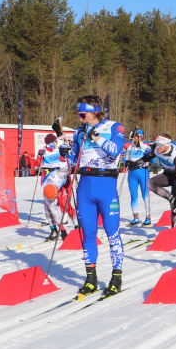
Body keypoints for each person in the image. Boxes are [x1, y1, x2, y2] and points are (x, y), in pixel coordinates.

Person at [66, 96, 127, 297]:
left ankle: (116, 277)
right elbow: (73, 159)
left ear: (94, 112)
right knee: (88, 235)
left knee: (112, 233)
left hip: (106, 185)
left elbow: (115, 149)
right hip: (85, 185)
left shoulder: (114, 127)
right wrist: (65, 151)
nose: (80, 117)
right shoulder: (79, 132)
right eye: (78, 114)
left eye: (82, 114)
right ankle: (90, 278)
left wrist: (95, 136)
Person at [140, 135, 176, 227]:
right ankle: (172, 199)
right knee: (150, 183)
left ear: (167, 144)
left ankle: (174, 229)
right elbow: (147, 157)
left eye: (160, 145)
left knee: (175, 206)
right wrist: (134, 163)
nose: (158, 147)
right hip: (167, 174)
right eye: (157, 144)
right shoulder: (156, 148)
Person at [37, 132, 71, 241]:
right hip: (48, 180)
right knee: (48, 208)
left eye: (56, 141)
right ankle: (54, 230)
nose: (56, 143)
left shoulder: (58, 150)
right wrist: (40, 156)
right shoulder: (44, 150)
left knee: (60, 203)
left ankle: (64, 227)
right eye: (55, 141)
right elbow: (37, 163)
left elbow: (65, 160)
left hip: (58, 179)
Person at [123, 129, 152, 226]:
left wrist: (151, 157)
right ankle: (135, 217)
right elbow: (125, 159)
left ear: (140, 137)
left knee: (145, 195)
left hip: (143, 172)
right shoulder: (130, 148)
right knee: (133, 196)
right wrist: (125, 162)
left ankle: (148, 217)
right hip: (132, 174)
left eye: (135, 136)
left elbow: (151, 160)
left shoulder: (145, 147)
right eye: (133, 136)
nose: (133, 138)